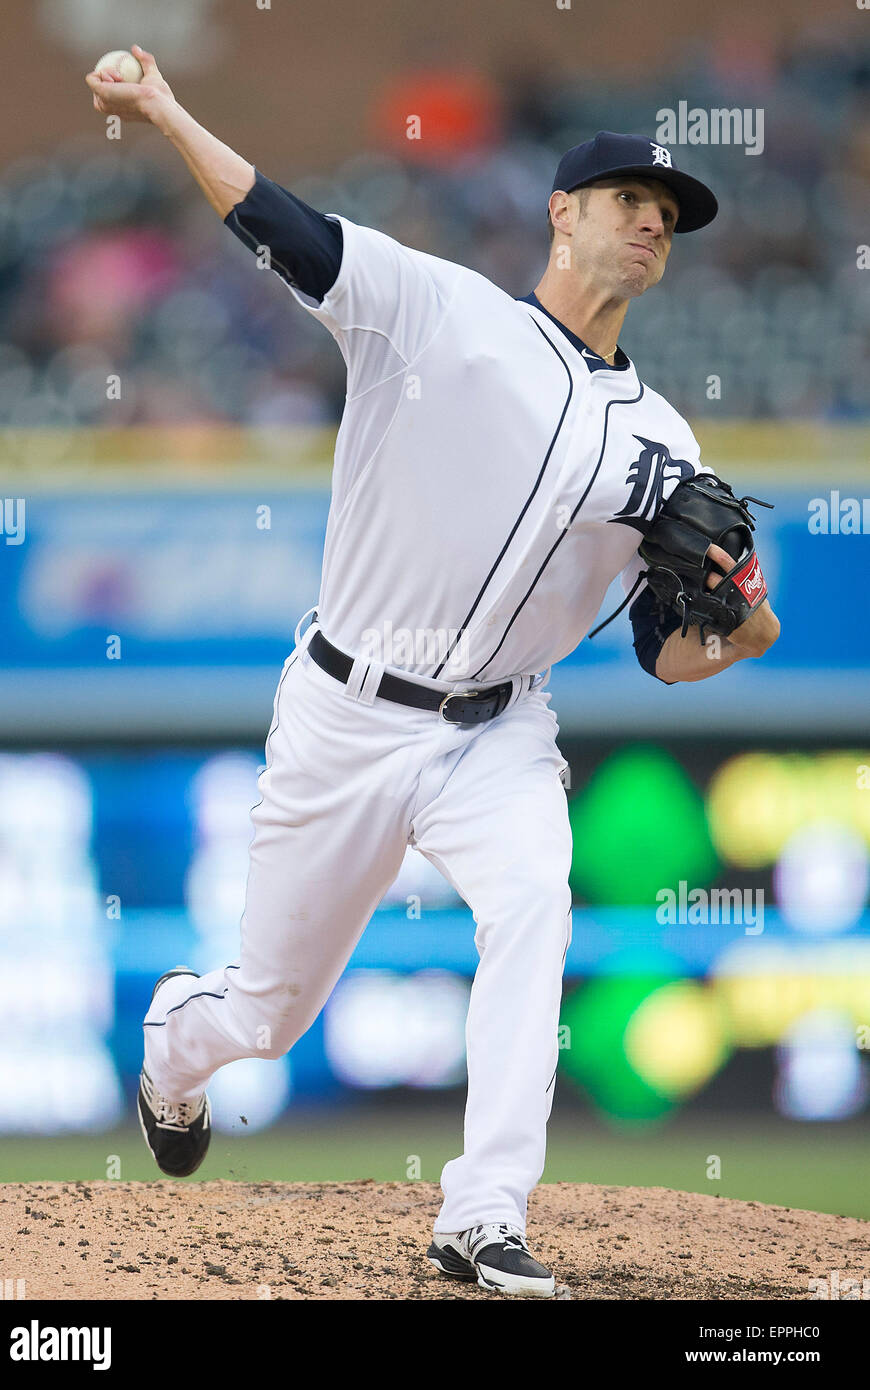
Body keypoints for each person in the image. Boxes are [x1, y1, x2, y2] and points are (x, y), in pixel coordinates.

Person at [87, 48, 780, 1299]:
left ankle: (483, 1214)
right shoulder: (436, 310)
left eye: (667, 219)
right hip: (345, 712)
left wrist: (742, 628)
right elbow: (278, 222)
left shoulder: (666, 444)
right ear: (561, 210)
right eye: (628, 200)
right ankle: (172, 1051)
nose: (648, 227)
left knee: (535, 899)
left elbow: (665, 653)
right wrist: (166, 107)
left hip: (498, 733)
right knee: (266, 1015)